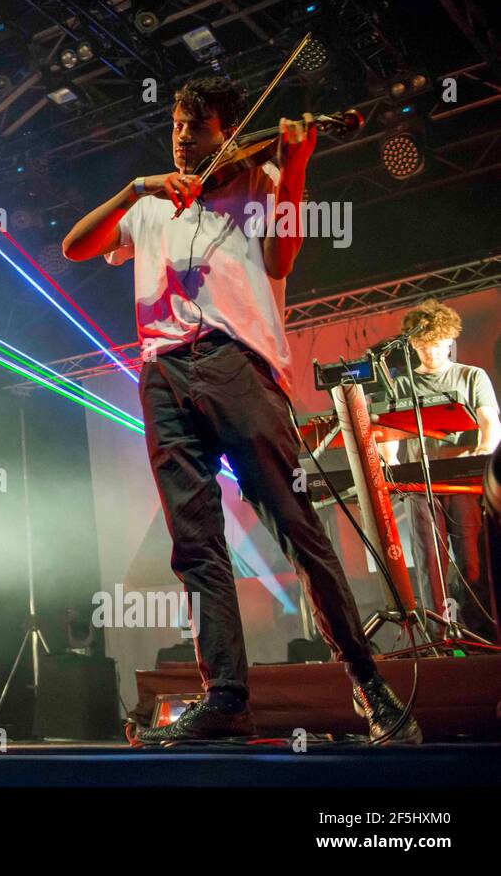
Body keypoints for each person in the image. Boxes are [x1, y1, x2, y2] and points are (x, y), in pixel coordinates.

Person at [62, 75, 421, 745]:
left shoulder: (257, 182)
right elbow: (75, 246)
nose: (181, 138)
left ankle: (369, 684)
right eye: (176, 125)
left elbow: (282, 256)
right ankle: (225, 697)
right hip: (162, 374)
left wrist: (297, 163)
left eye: (196, 129)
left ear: (226, 133)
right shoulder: (150, 202)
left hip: (238, 365)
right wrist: (136, 188)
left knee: (296, 525)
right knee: (196, 543)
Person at [380, 299, 500, 640]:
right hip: (420, 486)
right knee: (428, 565)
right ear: (413, 346)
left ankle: (481, 636)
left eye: (435, 344)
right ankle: (439, 638)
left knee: (471, 562)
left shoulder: (471, 376)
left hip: (460, 482)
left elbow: (491, 424)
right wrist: (392, 464)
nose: (430, 352)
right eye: (422, 345)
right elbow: (388, 435)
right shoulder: (402, 385)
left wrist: (482, 451)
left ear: (449, 340)